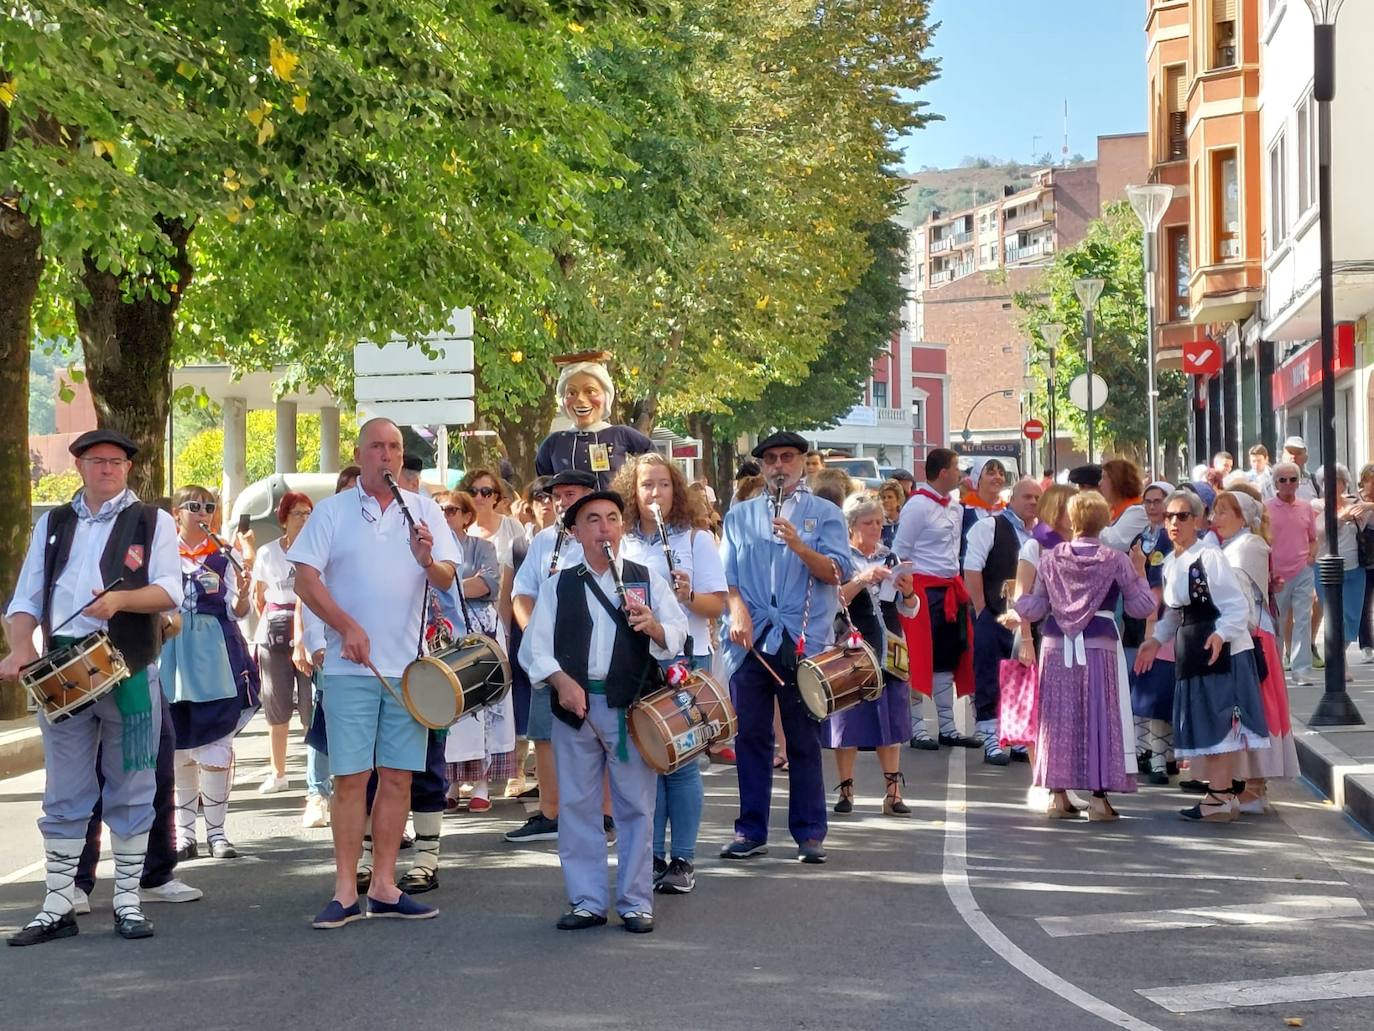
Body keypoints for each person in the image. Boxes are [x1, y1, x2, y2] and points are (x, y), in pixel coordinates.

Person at [2, 428, 182, 945]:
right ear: (78, 466)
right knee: (64, 790)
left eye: (117, 461)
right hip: (63, 667)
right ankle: (57, 904)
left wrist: (122, 601)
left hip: (127, 664)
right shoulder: (53, 523)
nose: (108, 468)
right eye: (98, 460)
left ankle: (126, 899)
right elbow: (25, 597)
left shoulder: (152, 521)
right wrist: (20, 647)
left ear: (128, 469)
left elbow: (172, 589)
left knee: (132, 786)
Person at [290, 417, 460, 928]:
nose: (387, 456)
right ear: (360, 454)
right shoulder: (332, 512)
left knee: (399, 778)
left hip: (406, 671)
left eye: (395, 448)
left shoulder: (425, 509)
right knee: (350, 778)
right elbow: (303, 579)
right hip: (348, 670)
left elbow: (448, 578)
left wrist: (427, 559)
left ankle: (385, 886)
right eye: (377, 447)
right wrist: (345, 626)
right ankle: (345, 890)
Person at [522, 490, 688, 933]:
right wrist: (560, 681)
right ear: (575, 532)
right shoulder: (559, 583)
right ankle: (587, 901)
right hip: (574, 705)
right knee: (577, 805)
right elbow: (534, 647)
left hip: (630, 706)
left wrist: (653, 626)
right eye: (592, 520)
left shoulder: (646, 576)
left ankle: (636, 902)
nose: (603, 528)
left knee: (635, 805)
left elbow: (677, 634)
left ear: (622, 527)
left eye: (612, 518)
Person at [719, 431, 851, 864]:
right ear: (762, 467)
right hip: (751, 643)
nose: (780, 466)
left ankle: (810, 833)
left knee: (803, 739)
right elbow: (728, 580)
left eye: (788, 458)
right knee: (752, 737)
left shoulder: (826, 513)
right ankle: (750, 830)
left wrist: (798, 545)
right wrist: (737, 612)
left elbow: (837, 572)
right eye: (771, 459)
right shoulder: (739, 516)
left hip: (803, 640)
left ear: (802, 463)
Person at [615, 453, 727, 894]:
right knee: (648, 762)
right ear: (633, 491)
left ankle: (682, 858)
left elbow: (716, 604)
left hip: (685, 657)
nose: (654, 494)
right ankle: (653, 855)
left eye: (662, 485)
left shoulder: (696, 539)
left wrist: (689, 595)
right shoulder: (623, 541)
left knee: (680, 764)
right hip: (640, 660)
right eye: (646, 486)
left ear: (674, 491)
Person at [1014, 492, 1154, 821]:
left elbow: (1034, 607)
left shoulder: (1051, 558)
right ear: (1104, 520)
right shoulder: (1115, 558)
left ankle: (1057, 794)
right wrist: (1141, 570)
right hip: (1099, 645)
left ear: (1072, 519)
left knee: (1058, 718)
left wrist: (1015, 603)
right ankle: (1099, 798)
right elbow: (1141, 606)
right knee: (1099, 716)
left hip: (1056, 644)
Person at [1134, 490, 1270, 822]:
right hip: (1194, 648)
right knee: (1206, 719)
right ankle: (1219, 794)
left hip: (1220, 651)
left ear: (1197, 520)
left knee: (1221, 719)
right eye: (1169, 516)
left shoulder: (1208, 557)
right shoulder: (1171, 563)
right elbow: (1175, 614)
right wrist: (1155, 641)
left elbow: (1237, 606)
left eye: (1182, 516)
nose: (1174, 523)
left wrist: (1221, 636)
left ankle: (1221, 796)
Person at [160, 486, 261, 862]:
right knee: (180, 750)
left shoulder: (225, 556)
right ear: (176, 513)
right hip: (172, 655)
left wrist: (243, 594)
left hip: (215, 656)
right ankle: (185, 834)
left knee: (216, 747)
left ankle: (218, 833)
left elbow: (238, 611)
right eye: (194, 506)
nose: (203, 513)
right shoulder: (163, 556)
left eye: (209, 507)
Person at [507, 469, 596, 843]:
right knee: (543, 733)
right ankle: (550, 812)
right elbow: (521, 592)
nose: (561, 502)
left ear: (591, 496)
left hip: (592, 652)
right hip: (548, 654)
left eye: (570, 494)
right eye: (557, 496)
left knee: (597, 733)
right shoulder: (545, 541)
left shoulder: (602, 538)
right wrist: (534, 631)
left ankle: (603, 817)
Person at [828, 495, 921, 815]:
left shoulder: (890, 557)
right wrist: (862, 579)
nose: (876, 528)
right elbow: (834, 601)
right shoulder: (840, 558)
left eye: (880, 522)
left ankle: (893, 793)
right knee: (847, 719)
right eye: (869, 522)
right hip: (852, 647)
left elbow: (908, 609)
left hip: (890, 645)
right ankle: (846, 791)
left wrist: (908, 591)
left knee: (891, 719)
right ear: (852, 526)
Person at [1212, 489, 1300, 811]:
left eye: (1223, 512)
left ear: (1242, 516)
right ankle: (1251, 785)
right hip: (1243, 633)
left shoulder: (1248, 546)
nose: (1215, 518)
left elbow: (1244, 599)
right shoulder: (1235, 545)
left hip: (1251, 635)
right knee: (1248, 708)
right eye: (1216, 511)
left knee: (1256, 708)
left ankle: (1255, 785)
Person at [434, 490, 512, 816]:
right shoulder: (432, 550)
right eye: (441, 511)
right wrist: (462, 583)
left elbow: (488, 585)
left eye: (452, 510)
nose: (446, 516)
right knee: (448, 707)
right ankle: (451, 785)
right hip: (442, 634)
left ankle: (480, 785)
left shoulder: (483, 547)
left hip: (480, 633)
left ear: (467, 516)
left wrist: (447, 585)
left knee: (481, 705)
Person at [893, 448, 977, 749]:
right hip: (923, 589)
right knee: (918, 657)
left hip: (950, 590)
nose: (961, 474)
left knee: (947, 657)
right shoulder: (917, 506)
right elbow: (901, 550)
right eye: (956, 468)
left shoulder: (955, 506)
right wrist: (904, 593)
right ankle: (917, 727)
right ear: (943, 472)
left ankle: (947, 726)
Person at [964, 477, 1040, 765]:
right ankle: (991, 738)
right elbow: (972, 568)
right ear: (1012, 499)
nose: (1033, 502)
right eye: (1027, 497)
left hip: (1028, 618)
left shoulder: (1041, 534)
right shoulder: (990, 526)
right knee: (989, 675)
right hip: (995, 613)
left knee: (1022, 676)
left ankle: (1018, 737)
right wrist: (982, 608)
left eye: (1037, 498)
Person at [253, 492, 315, 814]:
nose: (303, 519)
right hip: (273, 632)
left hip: (308, 633)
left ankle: (314, 776)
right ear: (284, 518)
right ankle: (278, 772)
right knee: (275, 703)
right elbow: (260, 598)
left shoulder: (317, 549)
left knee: (310, 705)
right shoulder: (267, 553)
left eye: (307, 513)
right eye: (297, 514)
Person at [534, 353, 653, 489]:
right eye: (571, 393)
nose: (580, 399)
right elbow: (544, 486)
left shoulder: (620, 434)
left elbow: (655, 464)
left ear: (606, 394)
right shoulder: (553, 443)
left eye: (590, 391)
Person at [1129, 481, 1177, 785]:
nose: (1152, 506)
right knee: (1144, 687)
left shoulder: (1169, 540)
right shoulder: (1140, 537)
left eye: (1158, 501)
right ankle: (1145, 751)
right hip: (1141, 617)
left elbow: (1159, 583)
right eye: (1148, 501)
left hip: (1165, 620)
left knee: (1160, 690)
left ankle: (1162, 756)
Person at [1312, 464, 1368, 669]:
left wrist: (1363, 512)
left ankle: (1339, 654)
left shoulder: (1355, 503)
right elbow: (1318, 534)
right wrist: (1341, 519)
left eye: (1338, 480)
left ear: (1345, 483)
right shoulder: (1316, 506)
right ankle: (1338, 663)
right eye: (1328, 481)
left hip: (1355, 567)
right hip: (1326, 568)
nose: (1333, 485)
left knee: (1352, 617)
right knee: (1335, 616)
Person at [1267, 462, 1318, 685]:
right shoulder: (1266, 507)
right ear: (1275, 483)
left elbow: (1313, 538)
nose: (1288, 484)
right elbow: (1261, 540)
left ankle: (1301, 669)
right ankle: (1276, 669)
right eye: (1283, 480)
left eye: (1293, 479)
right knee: (1278, 622)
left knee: (1303, 619)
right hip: (1277, 574)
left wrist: (1310, 557)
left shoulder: (1306, 506)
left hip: (1302, 570)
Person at [958, 458, 1007, 556]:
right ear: (978, 479)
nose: (998, 477)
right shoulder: (962, 510)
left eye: (1001, 474)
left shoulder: (1008, 511)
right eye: (991, 473)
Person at [1098, 460, 1148, 552]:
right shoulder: (1111, 509)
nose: (1100, 483)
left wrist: (1088, 526)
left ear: (1116, 481)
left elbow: (1116, 542)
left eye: (1104, 478)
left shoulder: (1138, 511)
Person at [1358, 464, 1374, 663]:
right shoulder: (1356, 498)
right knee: (1363, 603)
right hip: (1364, 556)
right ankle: (1367, 645)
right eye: (1370, 479)